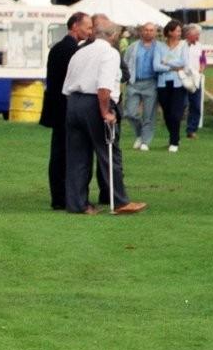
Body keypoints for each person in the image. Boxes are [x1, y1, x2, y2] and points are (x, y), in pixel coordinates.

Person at [61, 16, 147, 215]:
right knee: (108, 152)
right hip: (94, 103)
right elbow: (104, 87)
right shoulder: (110, 53)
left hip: (74, 102)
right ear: (113, 35)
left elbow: (67, 84)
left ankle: (77, 204)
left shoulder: (80, 52)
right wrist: (105, 112)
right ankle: (119, 201)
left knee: (77, 156)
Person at [39, 12, 93, 210]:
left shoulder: (59, 48)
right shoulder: (71, 50)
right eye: (87, 27)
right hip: (65, 109)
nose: (90, 31)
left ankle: (60, 197)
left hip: (57, 108)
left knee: (59, 152)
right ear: (75, 26)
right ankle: (62, 197)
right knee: (64, 154)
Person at [121, 22, 160, 151]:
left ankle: (145, 141)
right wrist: (125, 78)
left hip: (151, 83)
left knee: (149, 114)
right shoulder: (133, 47)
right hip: (134, 82)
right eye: (146, 30)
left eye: (151, 30)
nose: (148, 32)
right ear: (142, 31)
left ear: (155, 32)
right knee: (129, 112)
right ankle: (139, 133)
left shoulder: (159, 47)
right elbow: (125, 63)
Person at [154, 19, 188, 153]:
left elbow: (183, 62)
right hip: (163, 84)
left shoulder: (183, 45)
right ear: (169, 32)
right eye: (177, 31)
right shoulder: (159, 46)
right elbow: (156, 66)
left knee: (175, 114)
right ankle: (174, 136)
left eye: (180, 31)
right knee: (167, 114)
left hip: (178, 83)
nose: (179, 33)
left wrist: (166, 61)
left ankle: (174, 142)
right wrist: (172, 67)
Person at [183, 24, 206, 139]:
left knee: (196, 105)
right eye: (196, 34)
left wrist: (201, 68)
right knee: (182, 104)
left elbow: (203, 60)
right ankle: (174, 128)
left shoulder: (200, 46)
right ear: (188, 35)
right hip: (182, 78)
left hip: (195, 78)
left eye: (198, 34)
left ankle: (191, 130)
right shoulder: (181, 45)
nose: (198, 37)